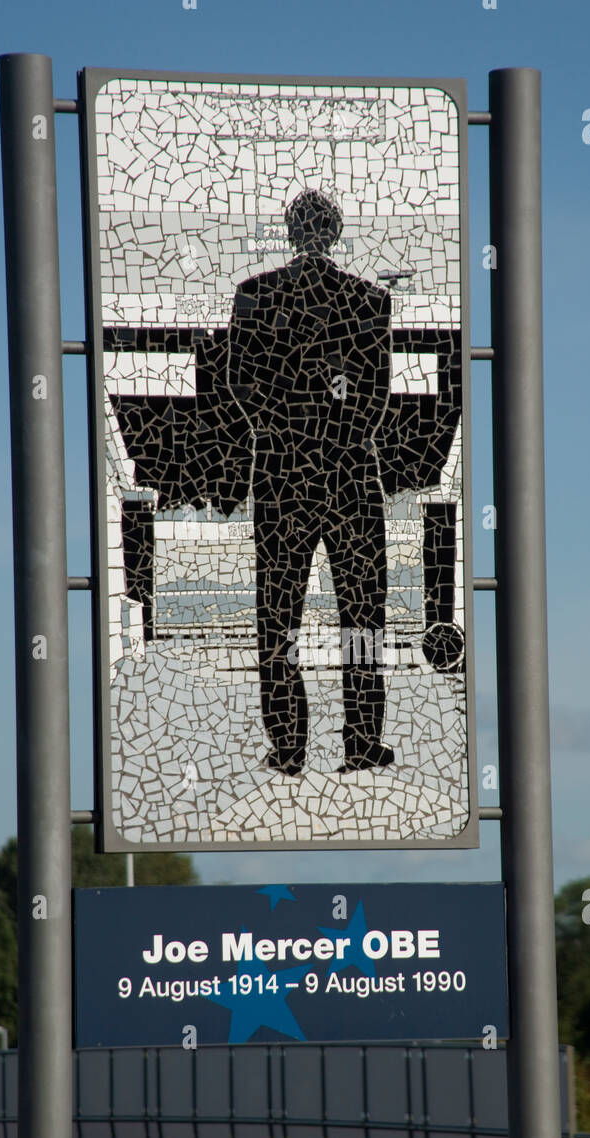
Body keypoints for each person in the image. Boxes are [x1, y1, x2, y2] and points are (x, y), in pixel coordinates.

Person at [226, 188, 394, 774]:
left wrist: (280, 429)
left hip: (280, 473)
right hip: (351, 474)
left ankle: (289, 746)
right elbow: (375, 395)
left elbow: (239, 382)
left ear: (293, 231)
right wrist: (338, 431)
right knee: (363, 618)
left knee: (277, 617)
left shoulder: (254, 295)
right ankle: (362, 739)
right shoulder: (369, 301)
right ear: (335, 232)